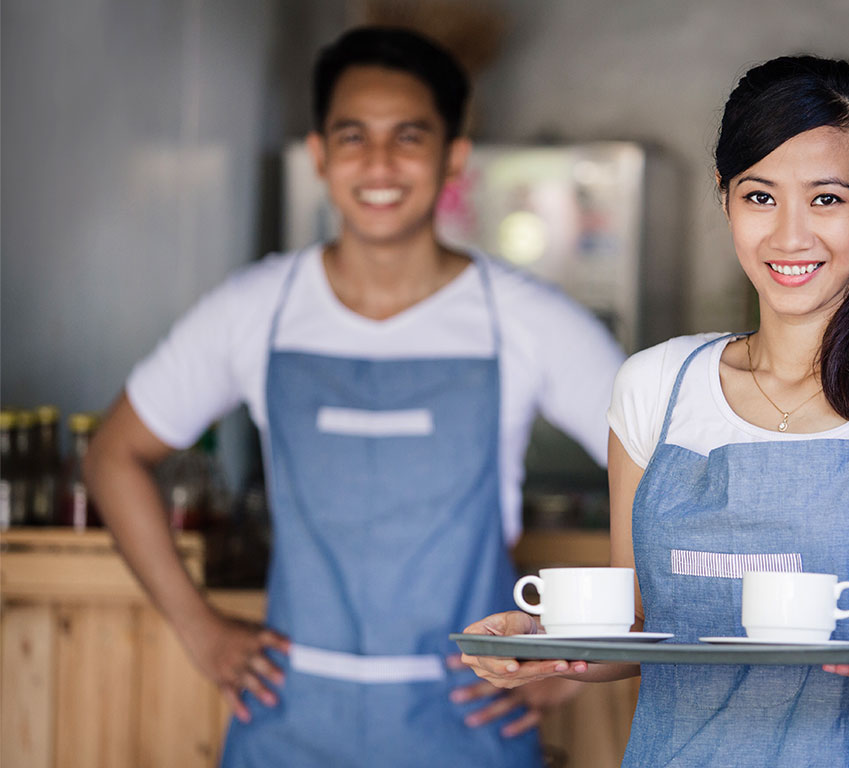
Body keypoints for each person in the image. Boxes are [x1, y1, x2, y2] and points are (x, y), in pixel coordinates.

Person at [461, 55, 849, 766]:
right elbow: (639, 631)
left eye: (826, 198)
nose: (790, 235)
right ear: (726, 199)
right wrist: (547, 645)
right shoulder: (654, 386)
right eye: (761, 196)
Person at [84, 26, 624, 768]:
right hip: (287, 723)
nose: (378, 163)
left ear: (453, 158)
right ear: (319, 154)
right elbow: (114, 456)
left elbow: (665, 472)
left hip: (467, 725)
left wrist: (581, 660)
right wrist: (198, 629)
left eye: (408, 137)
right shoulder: (257, 309)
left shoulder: (523, 318)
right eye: (352, 137)